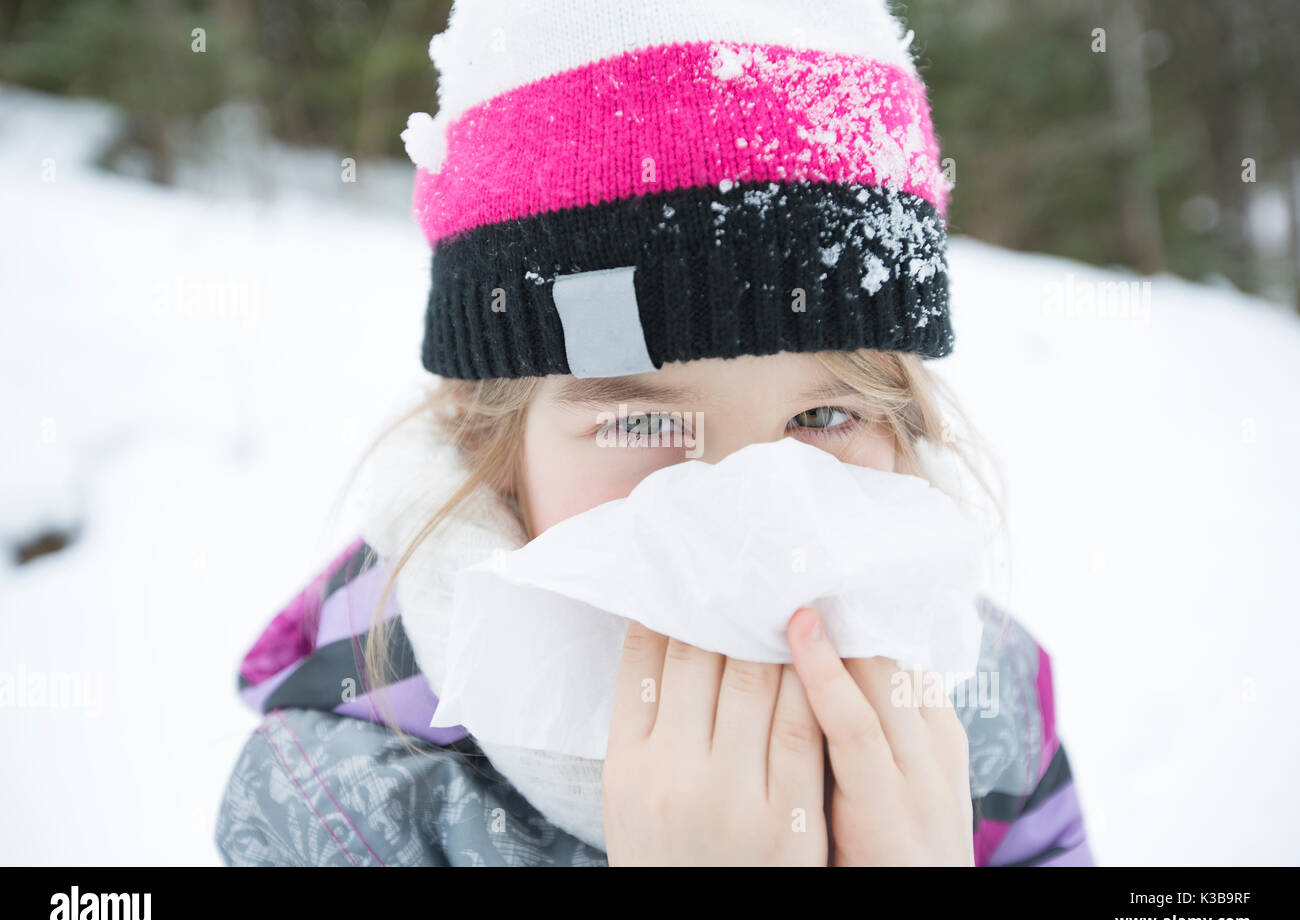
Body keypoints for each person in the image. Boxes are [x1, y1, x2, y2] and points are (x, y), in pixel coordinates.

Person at [215, 0, 1093, 866]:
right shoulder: (341, 816)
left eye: (824, 417)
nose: (757, 526)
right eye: (643, 421)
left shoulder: (985, 714)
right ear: (490, 443)